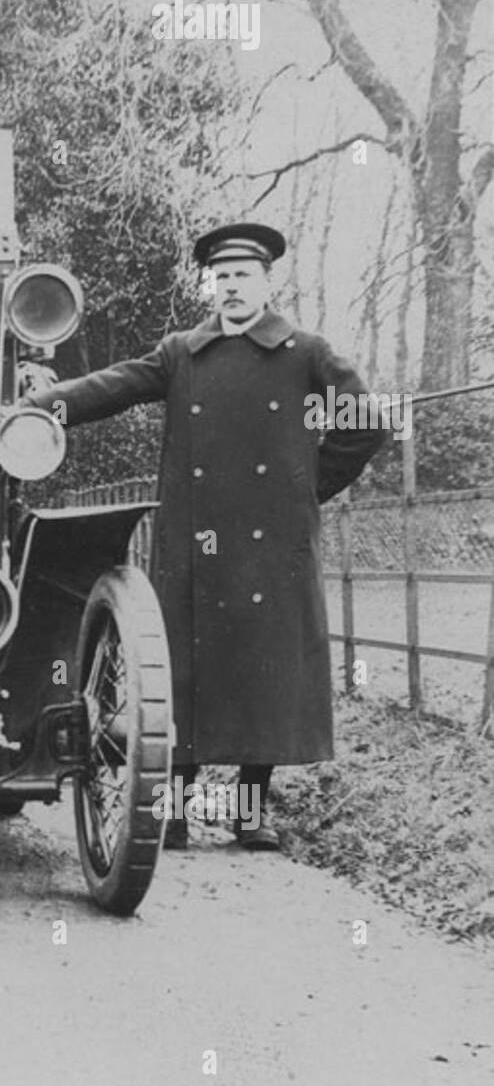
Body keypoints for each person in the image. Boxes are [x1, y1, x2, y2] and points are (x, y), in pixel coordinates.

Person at [23, 223, 387, 850]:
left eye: (244, 277)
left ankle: (251, 814)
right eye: (222, 279)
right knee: (183, 670)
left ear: (268, 283)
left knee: (263, 670)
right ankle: (177, 813)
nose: (232, 289)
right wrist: (43, 405)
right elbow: (113, 386)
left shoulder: (307, 351)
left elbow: (367, 425)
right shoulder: (182, 353)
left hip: (273, 541)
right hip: (195, 536)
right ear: (210, 286)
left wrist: (305, 488)